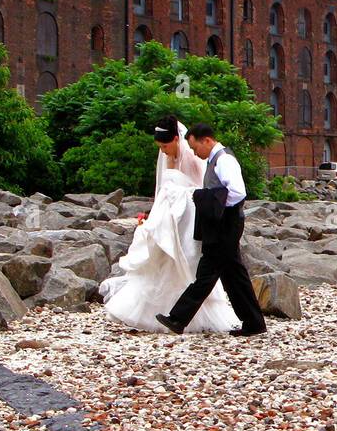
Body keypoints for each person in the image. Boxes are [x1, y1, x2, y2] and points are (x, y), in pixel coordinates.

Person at [98, 117, 241, 334]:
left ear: (176, 139)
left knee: (203, 268)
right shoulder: (169, 158)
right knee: (189, 266)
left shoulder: (199, 159)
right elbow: (165, 190)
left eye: (165, 146)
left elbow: (203, 191)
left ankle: (181, 317)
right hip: (169, 217)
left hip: (188, 217)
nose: (163, 151)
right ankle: (175, 317)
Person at [156, 123, 266, 337]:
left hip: (225, 224)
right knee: (234, 276)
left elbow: (237, 192)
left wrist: (206, 200)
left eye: (195, 147)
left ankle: (178, 318)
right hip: (224, 223)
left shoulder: (224, 160)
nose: (195, 152)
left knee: (207, 274)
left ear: (206, 140)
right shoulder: (216, 160)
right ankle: (254, 322)